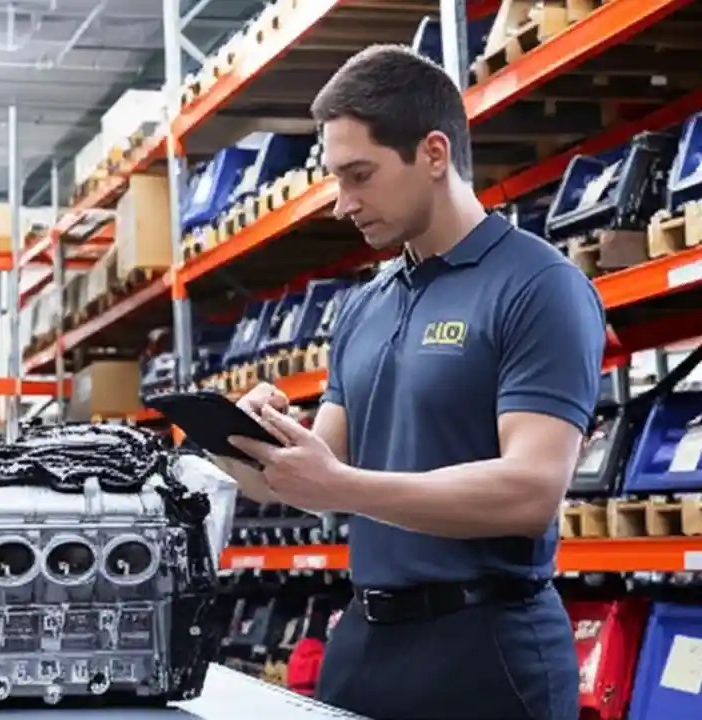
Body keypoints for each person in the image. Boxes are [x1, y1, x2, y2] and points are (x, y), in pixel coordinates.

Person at [216, 44, 605, 720]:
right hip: (366, 641)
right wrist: (244, 443)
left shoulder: (539, 287)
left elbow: (530, 492)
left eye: (359, 175)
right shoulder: (366, 304)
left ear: (432, 154)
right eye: (337, 178)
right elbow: (318, 476)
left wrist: (341, 486)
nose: (343, 203)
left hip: (488, 652)